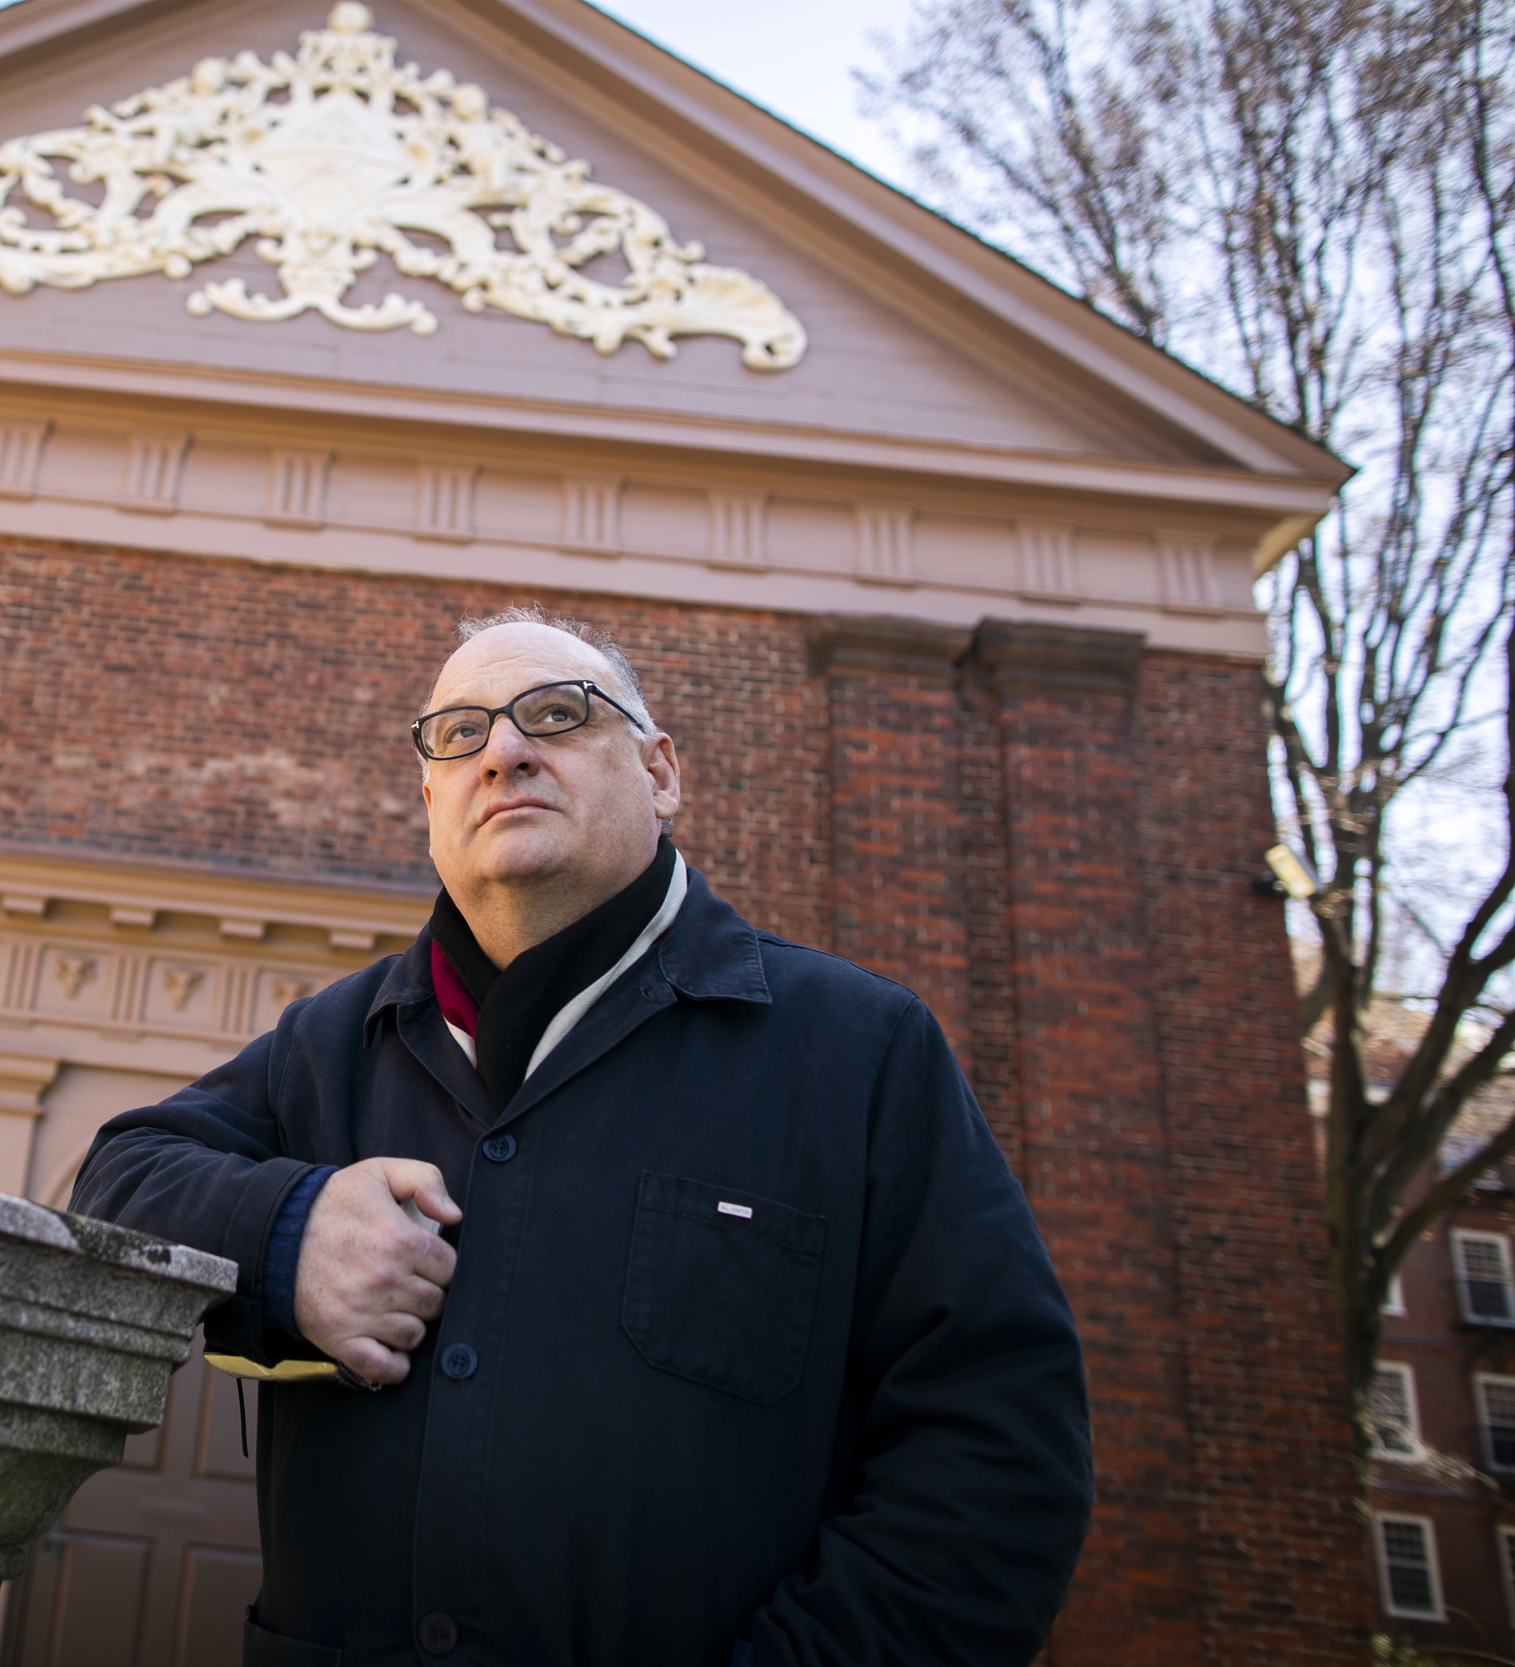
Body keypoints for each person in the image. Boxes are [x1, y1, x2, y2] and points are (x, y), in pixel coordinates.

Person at [70, 607, 1092, 1667]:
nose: (503, 750)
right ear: (431, 800)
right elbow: (115, 1179)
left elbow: (997, 1454)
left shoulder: (860, 1051)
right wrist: (286, 1236)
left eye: (556, 714)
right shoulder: (326, 1045)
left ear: (659, 773)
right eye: (458, 734)